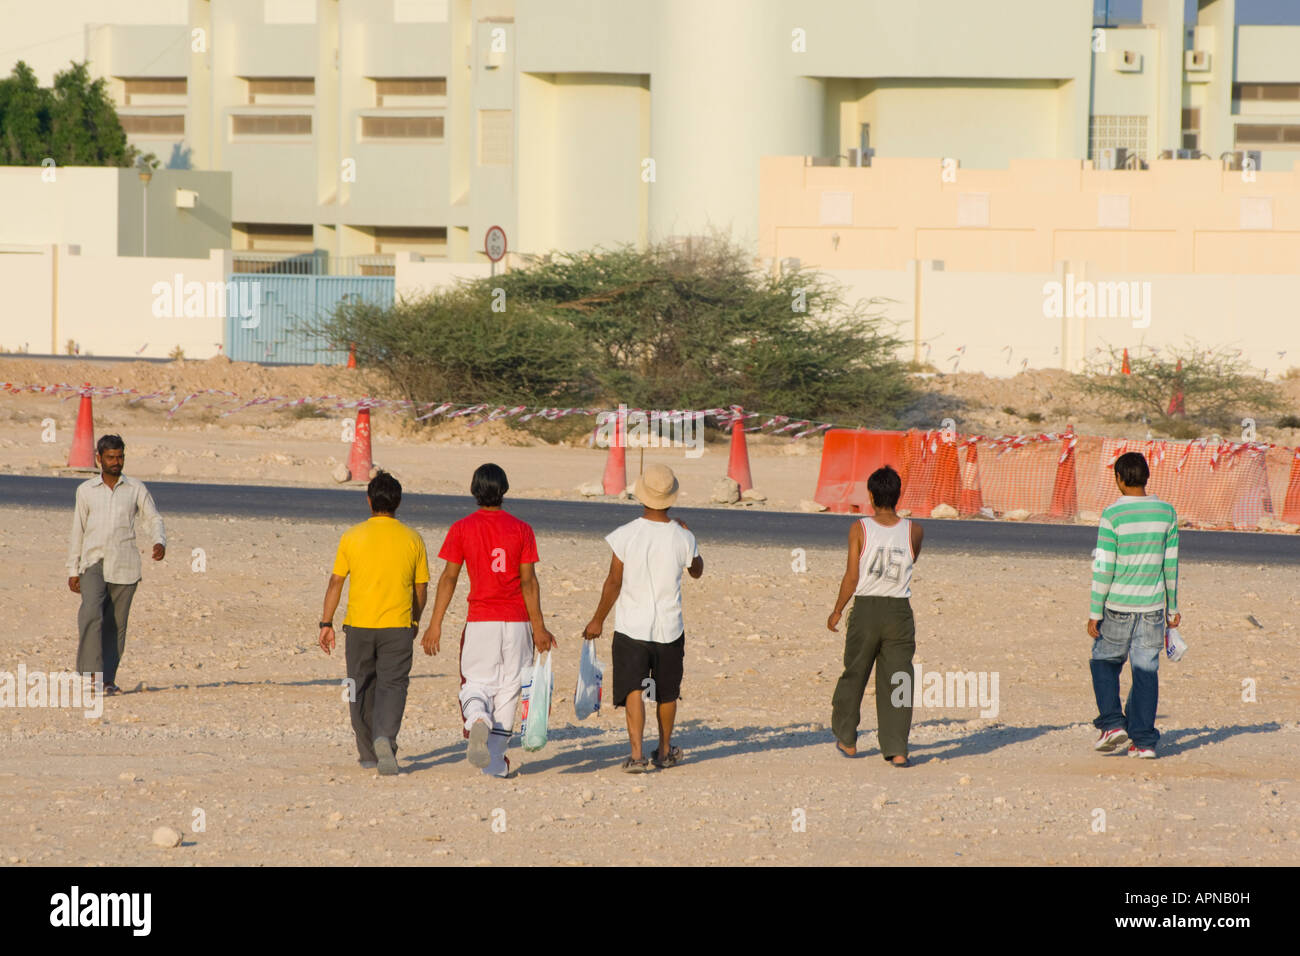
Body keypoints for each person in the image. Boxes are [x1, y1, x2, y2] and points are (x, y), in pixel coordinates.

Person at [421, 464, 556, 779]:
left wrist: (435, 623)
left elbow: (449, 578)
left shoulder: (462, 528)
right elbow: (529, 582)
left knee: (476, 684)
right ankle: (495, 764)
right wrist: (539, 628)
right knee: (510, 689)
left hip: (481, 621)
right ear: (504, 490)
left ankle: (478, 719)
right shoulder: (522, 529)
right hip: (518, 624)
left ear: (474, 491)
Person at [584, 464, 703, 773]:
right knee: (667, 692)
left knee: (634, 689)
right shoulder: (682, 536)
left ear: (641, 495)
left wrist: (597, 620)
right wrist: (690, 536)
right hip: (669, 627)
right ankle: (664, 751)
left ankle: (636, 755)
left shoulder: (625, 535)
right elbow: (697, 571)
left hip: (631, 626)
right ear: (671, 497)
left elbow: (613, 582)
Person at [320, 471, 429, 775]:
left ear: (368, 501)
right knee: (393, 686)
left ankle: (368, 752)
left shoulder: (352, 536)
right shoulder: (413, 538)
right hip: (398, 625)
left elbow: (336, 582)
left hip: (358, 626)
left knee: (358, 685)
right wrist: (415, 619)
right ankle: (385, 737)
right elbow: (420, 588)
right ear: (399, 502)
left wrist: (325, 623)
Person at [828, 465, 923, 767]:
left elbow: (852, 576)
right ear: (898, 495)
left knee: (854, 673)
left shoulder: (859, 528)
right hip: (899, 612)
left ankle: (847, 739)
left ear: (870, 495)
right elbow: (910, 562)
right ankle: (897, 748)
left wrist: (837, 609)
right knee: (898, 678)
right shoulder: (915, 531)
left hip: (867, 609)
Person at [1088, 451, 1180, 760]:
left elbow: (1103, 567)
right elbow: (1170, 565)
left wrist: (1094, 612)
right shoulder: (1167, 513)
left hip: (1117, 605)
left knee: (1104, 662)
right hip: (1152, 609)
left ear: (1118, 478)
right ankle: (1144, 742)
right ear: (1146, 477)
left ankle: (1112, 724)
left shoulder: (1112, 515)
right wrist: (1172, 609)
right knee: (1145, 672)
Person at [67, 434, 166, 696]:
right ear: (99, 458)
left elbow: (152, 518)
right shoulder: (86, 490)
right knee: (91, 612)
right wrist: (72, 570)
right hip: (93, 562)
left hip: (125, 565)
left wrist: (159, 541)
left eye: (120, 457)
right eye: (110, 457)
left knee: (115, 624)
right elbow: (78, 530)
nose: (116, 462)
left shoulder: (135, 488)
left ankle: (107, 680)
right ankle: (91, 675)